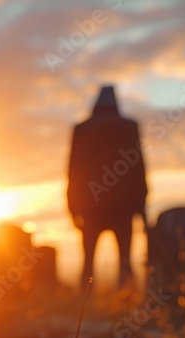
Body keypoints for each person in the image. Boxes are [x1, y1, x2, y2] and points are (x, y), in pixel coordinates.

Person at [67, 85, 147, 288]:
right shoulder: (129, 127)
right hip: (124, 207)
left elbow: (73, 171)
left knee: (88, 261)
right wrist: (142, 208)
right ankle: (126, 306)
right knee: (125, 261)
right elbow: (138, 169)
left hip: (91, 207)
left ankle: (85, 308)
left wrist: (72, 208)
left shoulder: (82, 130)